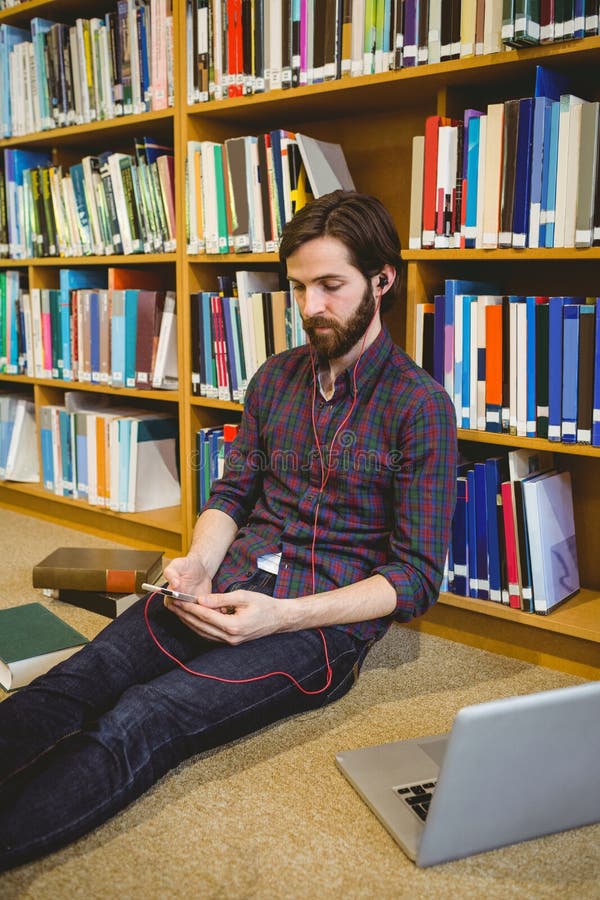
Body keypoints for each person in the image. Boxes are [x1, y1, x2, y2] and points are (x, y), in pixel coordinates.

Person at [0, 190, 457, 871]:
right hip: (223, 584)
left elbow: (417, 577)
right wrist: (197, 562)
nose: (311, 307)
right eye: (299, 287)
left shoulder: (421, 407)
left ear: (382, 278)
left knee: (144, 717)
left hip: (315, 623)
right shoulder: (273, 378)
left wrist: (282, 617)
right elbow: (234, 490)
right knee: (81, 677)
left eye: (332, 285)